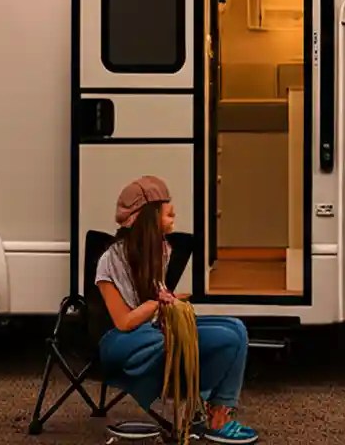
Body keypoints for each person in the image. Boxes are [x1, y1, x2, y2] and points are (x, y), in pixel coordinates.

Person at [94, 175, 259, 444]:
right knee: (175, 339)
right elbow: (124, 322)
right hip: (124, 341)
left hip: (155, 330)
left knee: (235, 330)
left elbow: (158, 306)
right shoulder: (109, 261)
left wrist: (169, 302)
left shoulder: (161, 251)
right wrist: (157, 303)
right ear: (148, 218)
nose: (174, 217)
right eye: (168, 213)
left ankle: (218, 416)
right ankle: (191, 405)